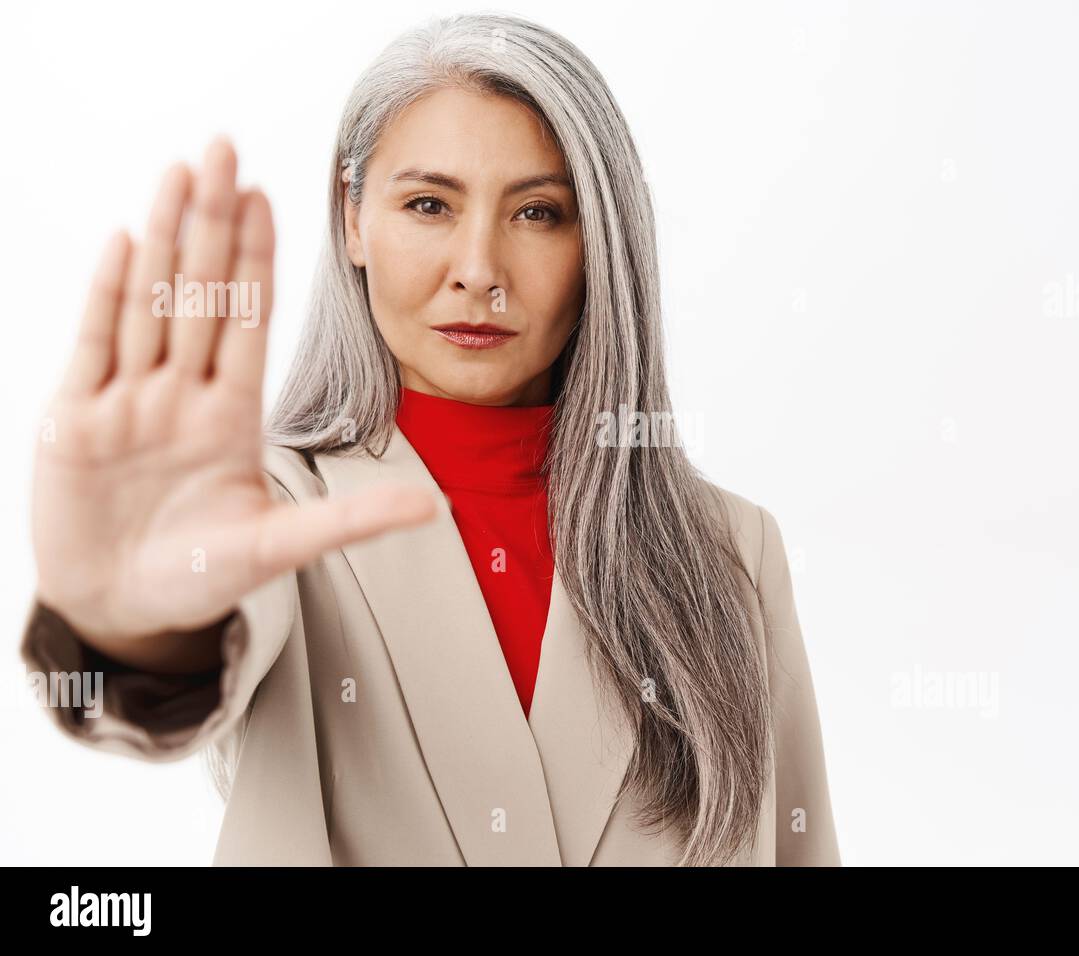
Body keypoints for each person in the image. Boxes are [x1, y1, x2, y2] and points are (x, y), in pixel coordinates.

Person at [20, 12, 839, 867]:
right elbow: (194, 645)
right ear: (353, 220)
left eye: (537, 212)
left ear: (599, 242)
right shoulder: (272, 516)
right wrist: (131, 622)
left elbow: (801, 847)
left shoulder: (732, 552)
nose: (479, 268)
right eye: (428, 204)